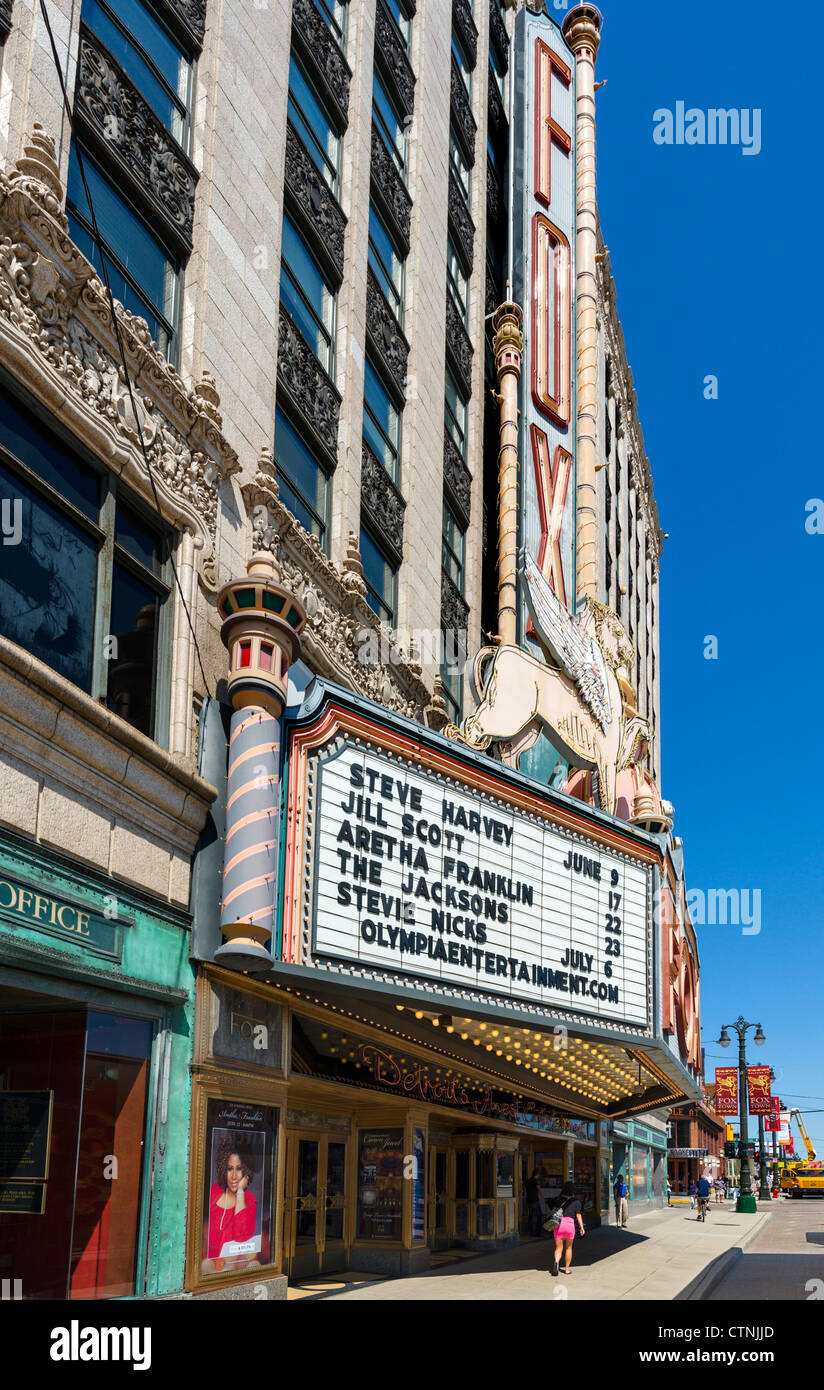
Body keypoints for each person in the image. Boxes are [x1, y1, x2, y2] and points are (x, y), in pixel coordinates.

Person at [207, 1133, 258, 1260]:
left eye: (239, 1169)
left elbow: (242, 1236)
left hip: (228, 1266)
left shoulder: (249, 1199)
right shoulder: (214, 1191)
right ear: (223, 1169)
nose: (234, 1176)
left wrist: (240, 1191)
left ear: (246, 1171)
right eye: (230, 1169)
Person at [551, 1182, 586, 1276]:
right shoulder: (576, 1201)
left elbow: (553, 1210)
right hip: (569, 1225)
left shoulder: (558, 1199)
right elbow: (578, 1215)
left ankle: (556, 1262)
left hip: (558, 1224)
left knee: (558, 1248)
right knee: (568, 1248)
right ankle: (566, 1269)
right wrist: (582, 1227)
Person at [525, 1170, 543, 1237]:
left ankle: (530, 1231)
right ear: (537, 1174)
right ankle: (537, 1232)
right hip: (534, 1200)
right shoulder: (535, 1181)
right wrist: (544, 1197)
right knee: (539, 1215)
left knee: (531, 1216)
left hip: (529, 1200)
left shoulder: (528, 1180)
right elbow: (539, 1189)